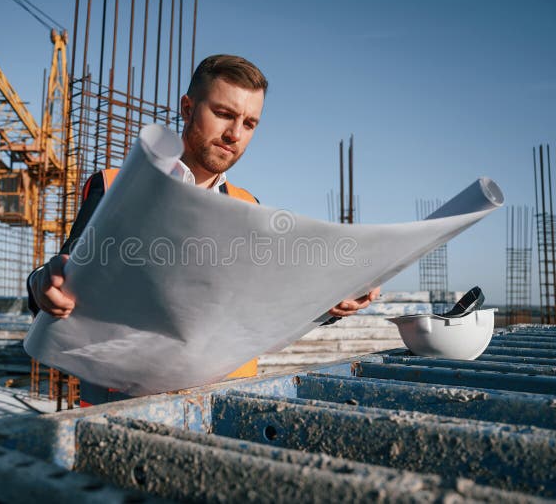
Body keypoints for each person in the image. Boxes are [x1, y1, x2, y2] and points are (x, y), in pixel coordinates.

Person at [27, 54, 380, 404]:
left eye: (249, 123)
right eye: (224, 114)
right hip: (121, 408)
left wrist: (332, 301)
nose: (234, 134)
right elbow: (59, 276)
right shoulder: (114, 186)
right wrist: (43, 285)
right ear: (187, 108)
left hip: (225, 406)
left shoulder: (249, 206)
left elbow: (267, 307)